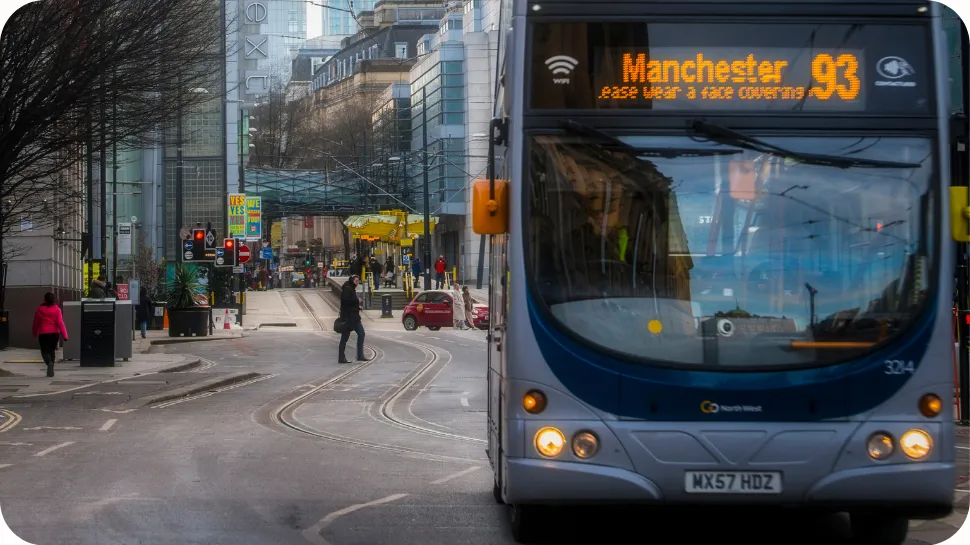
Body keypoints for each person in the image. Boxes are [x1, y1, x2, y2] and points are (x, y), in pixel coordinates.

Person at [31, 292, 68, 378]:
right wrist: (65, 335)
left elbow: (36, 323)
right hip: (55, 333)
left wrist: (34, 332)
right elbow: (60, 323)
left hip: (44, 333)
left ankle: (49, 363)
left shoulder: (39, 310)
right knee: (52, 350)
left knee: (45, 351)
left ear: (44, 299)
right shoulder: (57, 310)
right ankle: (51, 366)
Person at [338, 275, 368, 363]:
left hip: (354, 318)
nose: (357, 283)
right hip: (348, 318)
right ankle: (341, 357)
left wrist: (358, 307)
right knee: (344, 338)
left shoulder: (351, 289)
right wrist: (357, 301)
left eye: (358, 281)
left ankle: (360, 355)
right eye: (356, 281)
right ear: (352, 281)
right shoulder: (347, 289)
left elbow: (350, 303)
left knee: (361, 333)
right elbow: (345, 301)